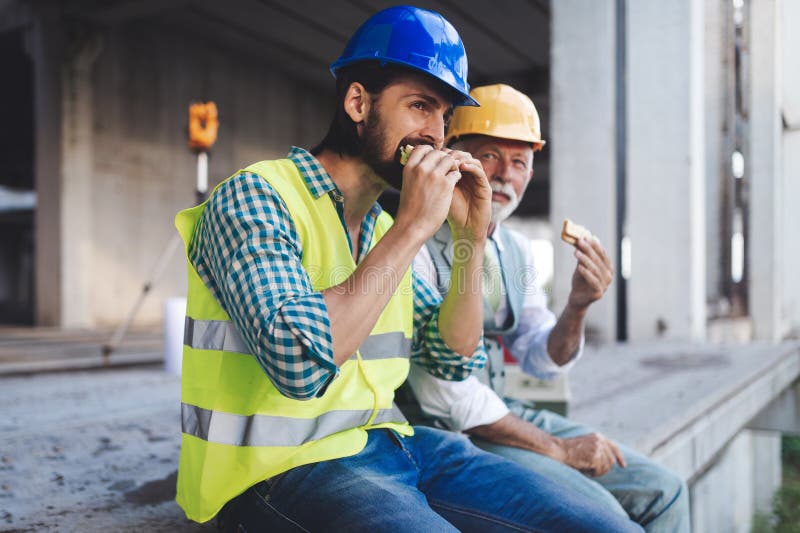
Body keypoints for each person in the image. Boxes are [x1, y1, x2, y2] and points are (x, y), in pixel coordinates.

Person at [173, 7, 642, 533]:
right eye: (420, 106)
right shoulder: (256, 197)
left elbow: (451, 358)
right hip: (278, 471)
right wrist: (414, 227)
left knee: (608, 529)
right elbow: (300, 365)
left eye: (443, 116)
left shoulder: (377, 228)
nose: (435, 135)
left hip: (392, 444)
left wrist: (469, 240)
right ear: (357, 102)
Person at [405, 83, 691, 532]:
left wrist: (577, 306)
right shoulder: (413, 240)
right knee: (610, 519)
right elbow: (446, 399)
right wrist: (558, 448)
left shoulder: (516, 250)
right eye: (489, 155)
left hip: (501, 413)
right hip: (446, 434)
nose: (503, 174)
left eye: (519, 161)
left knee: (667, 491)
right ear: (453, 154)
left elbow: (543, 360)